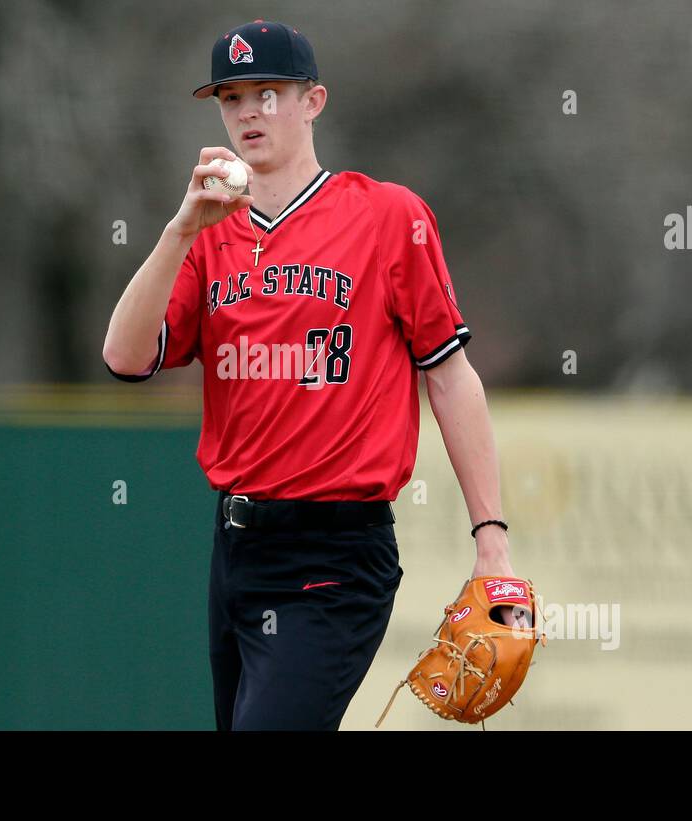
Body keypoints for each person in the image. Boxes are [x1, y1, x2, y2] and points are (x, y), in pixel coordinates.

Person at [102, 19, 518, 731]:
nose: (249, 112)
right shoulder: (206, 237)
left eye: (269, 92)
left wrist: (493, 540)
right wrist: (179, 232)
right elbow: (124, 356)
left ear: (313, 101)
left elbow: (450, 377)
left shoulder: (388, 217)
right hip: (234, 548)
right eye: (231, 98)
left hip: (336, 552)